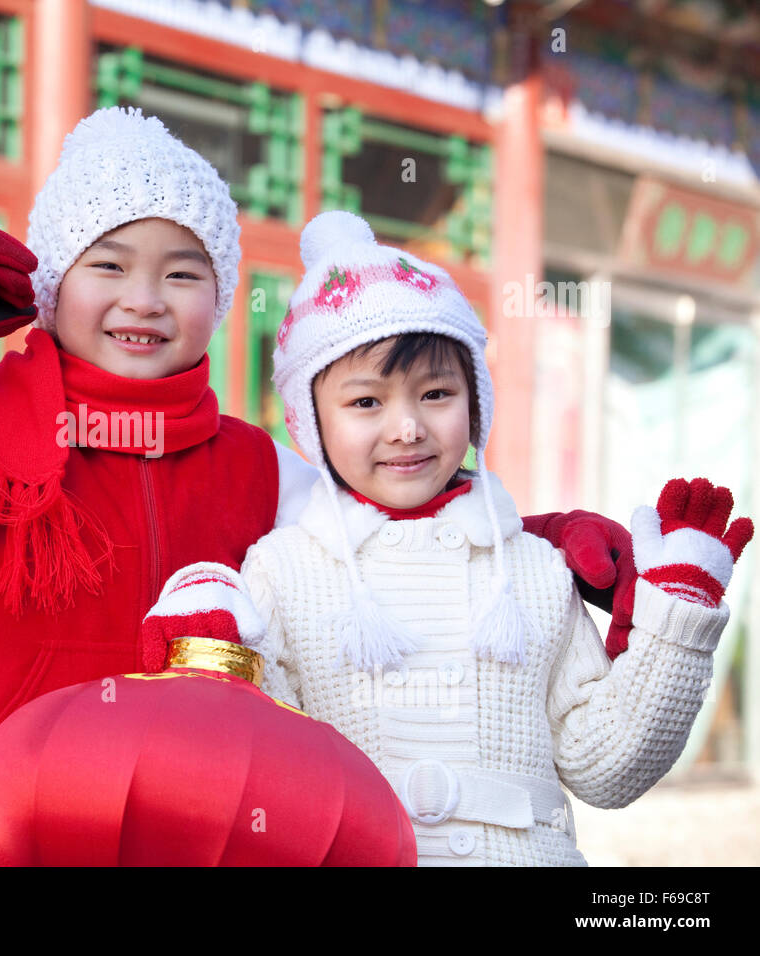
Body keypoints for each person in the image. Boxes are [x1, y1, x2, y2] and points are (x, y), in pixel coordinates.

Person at [0, 110, 638, 866]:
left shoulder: (258, 463)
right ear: (52, 289)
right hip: (8, 838)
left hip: (197, 841)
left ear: (221, 297)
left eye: (181, 274)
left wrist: (537, 534)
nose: (144, 299)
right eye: (108, 264)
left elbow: (393, 538)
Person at [144, 210, 753, 866]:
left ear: (475, 403)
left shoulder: (532, 568)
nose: (407, 428)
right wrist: (208, 655)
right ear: (312, 422)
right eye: (366, 403)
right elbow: (263, 767)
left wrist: (675, 624)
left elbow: (606, 769)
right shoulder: (283, 570)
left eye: (435, 393)